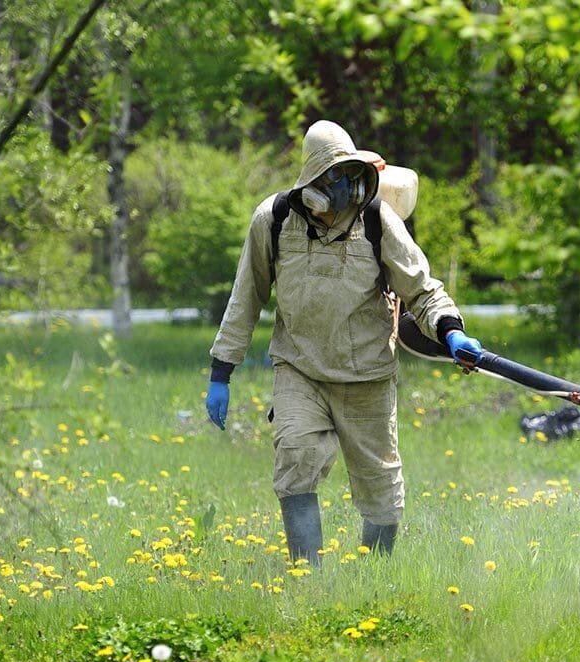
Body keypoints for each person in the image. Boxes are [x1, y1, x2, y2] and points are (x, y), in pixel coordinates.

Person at [205, 120, 483, 564]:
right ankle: (306, 575)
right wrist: (222, 370)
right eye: (335, 176)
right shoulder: (274, 219)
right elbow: (247, 296)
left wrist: (451, 330)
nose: (346, 186)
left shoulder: (376, 218)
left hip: (366, 374)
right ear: (313, 179)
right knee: (295, 458)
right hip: (299, 368)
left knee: (380, 488)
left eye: (351, 174)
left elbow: (420, 287)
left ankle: (372, 576)